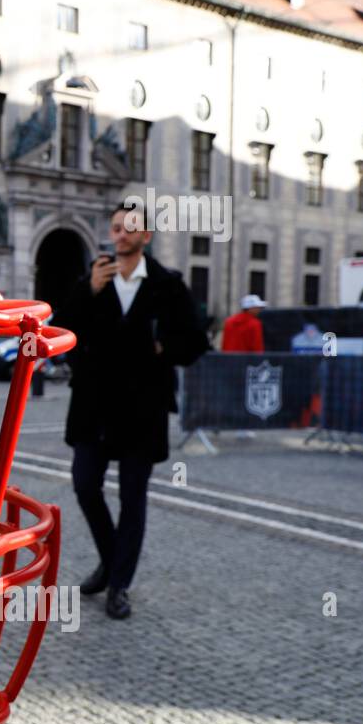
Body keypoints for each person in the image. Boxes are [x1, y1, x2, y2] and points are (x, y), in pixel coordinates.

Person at [51, 203, 209, 619]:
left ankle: (118, 584)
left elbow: (195, 341)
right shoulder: (92, 279)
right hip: (93, 406)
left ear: (146, 236)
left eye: (130, 229)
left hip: (143, 409)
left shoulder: (167, 285)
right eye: (117, 228)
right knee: (85, 484)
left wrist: (164, 348)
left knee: (132, 497)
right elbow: (62, 331)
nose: (121, 235)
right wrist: (88, 292)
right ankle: (110, 560)